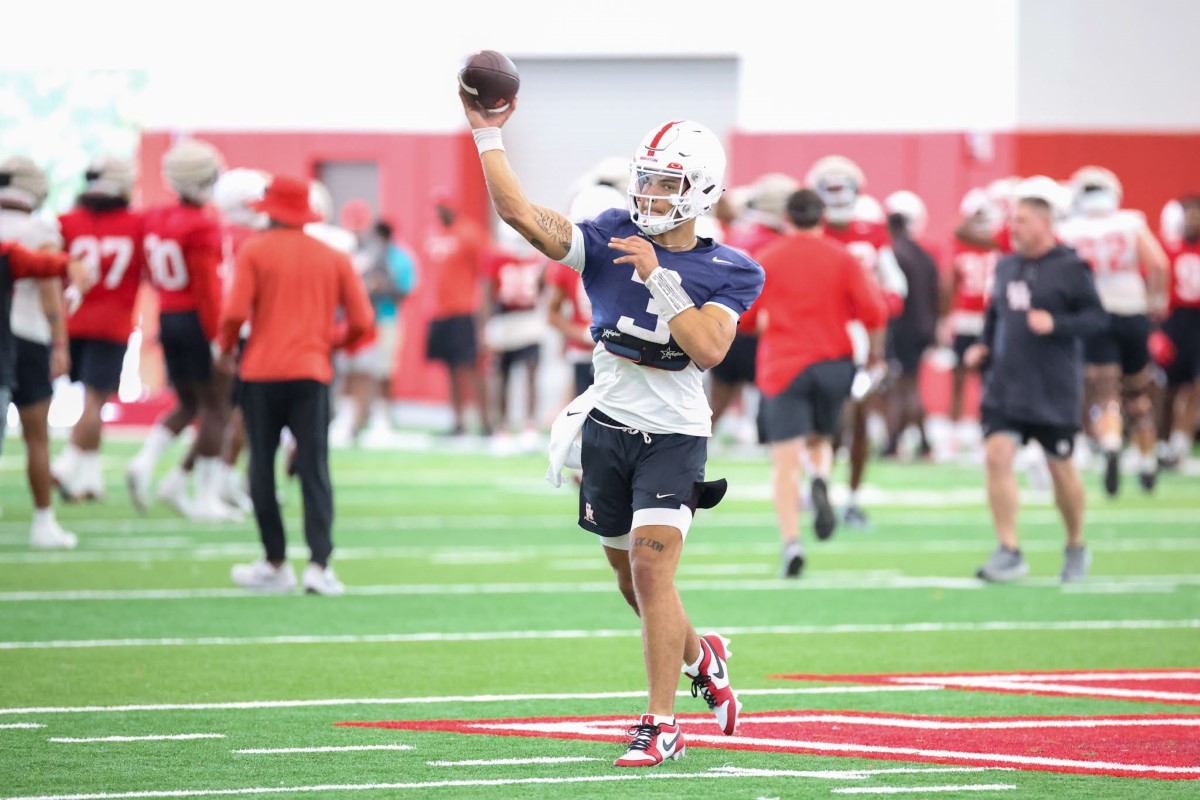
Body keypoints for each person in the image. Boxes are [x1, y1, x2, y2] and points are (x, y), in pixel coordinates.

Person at [462, 94, 762, 767]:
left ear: (702, 190)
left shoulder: (733, 269)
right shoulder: (606, 234)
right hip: (607, 425)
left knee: (653, 573)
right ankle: (702, 655)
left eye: (666, 183)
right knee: (633, 584)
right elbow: (521, 215)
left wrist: (660, 279)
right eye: (646, 179)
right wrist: (487, 135)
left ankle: (661, 723)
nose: (649, 195)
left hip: (675, 436)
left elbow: (708, 349)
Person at [221, 176, 373, 596]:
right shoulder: (333, 257)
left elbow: (233, 314)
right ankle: (320, 566)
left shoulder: (254, 251)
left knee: (260, 466)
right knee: (314, 468)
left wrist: (226, 349)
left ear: (269, 212)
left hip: (260, 372)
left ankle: (275, 562)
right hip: (312, 371)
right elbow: (362, 321)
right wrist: (329, 343)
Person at [964, 180, 1107, 583]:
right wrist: (982, 345)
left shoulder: (1071, 267)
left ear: (1046, 222)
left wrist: (1057, 323)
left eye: (1023, 220)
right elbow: (995, 313)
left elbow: (1097, 319)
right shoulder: (1006, 265)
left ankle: (1075, 544)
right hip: (1006, 383)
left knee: (1060, 467)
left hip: (1052, 388)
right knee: (996, 456)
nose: (1014, 227)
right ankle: (1008, 549)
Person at [753, 189, 887, 577]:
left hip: (784, 364)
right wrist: (874, 356)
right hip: (833, 363)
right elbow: (875, 311)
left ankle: (792, 541)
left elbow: (745, 315)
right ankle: (822, 477)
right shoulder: (843, 258)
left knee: (784, 460)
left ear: (787, 217)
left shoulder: (768, 258)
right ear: (822, 216)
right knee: (821, 438)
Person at [125, 139, 238, 520]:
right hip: (197, 320)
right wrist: (220, 339)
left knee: (188, 403)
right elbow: (208, 289)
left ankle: (146, 461)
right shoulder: (203, 223)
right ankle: (206, 497)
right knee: (216, 407)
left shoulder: (157, 216)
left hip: (169, 314)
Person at [807, 155, 907, 528]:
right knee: (827, 418)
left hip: (864, 337)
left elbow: (897, 286)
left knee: (859, 416)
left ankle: (849, 496)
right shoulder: (810, 232)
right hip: (820, 335)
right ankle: (819, 483)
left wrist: (876, 305)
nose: (837, 197)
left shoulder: (871, 232)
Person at [1057, 166, 1170, 495]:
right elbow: (1159, 263)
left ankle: (1109, 442)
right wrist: (1156, 302)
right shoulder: (1130, 222)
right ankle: (1147, 460)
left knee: (1103, 393)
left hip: (1095, 316)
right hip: (1132, 312)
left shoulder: (1069, 230)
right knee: (1138, 392)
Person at [52, 155, 145, 502]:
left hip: (71, 319)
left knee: (92, 401)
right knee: (96, 400)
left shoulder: (66, 221)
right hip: (112, 323)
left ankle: (90, 479)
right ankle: (66, 464)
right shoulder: (136, 224)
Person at [0, 157, 75, 548]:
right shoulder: (37, 230)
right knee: (37, 437)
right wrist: (60, 343)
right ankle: (43, 522)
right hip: (28, 337)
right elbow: (49, 288)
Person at [713, 173, 798, 443]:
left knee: (716, 402)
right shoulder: (779, 245)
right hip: (759, 331)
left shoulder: (735, 236)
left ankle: (693, 446)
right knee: (772, 398)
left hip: (724, 324)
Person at [210, 167, 271, 513]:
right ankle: (225, 479)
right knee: (245, 412)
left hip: (221, 329)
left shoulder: (221, 232)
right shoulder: (252, 240)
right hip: (247, 331)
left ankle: (225, 479)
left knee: (225, 410)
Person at [545, 181, 625, 404]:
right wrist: (580, 334)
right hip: (583, 354)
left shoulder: (631, 259)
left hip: (623, 356)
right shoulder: (566, 263)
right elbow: (552, 314)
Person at [342, 218, 417, 442]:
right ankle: (355, 418)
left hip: (387, 319)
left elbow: (404, 291)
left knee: (384, 372)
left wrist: (382, 284)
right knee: (358, 370)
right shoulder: (364, 255)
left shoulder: (400, 258)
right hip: (366, 320)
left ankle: (382, 419)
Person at [425, 195, 491, 436]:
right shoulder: (433, 233)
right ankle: (458, 421)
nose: (439, 213)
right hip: (440, 310)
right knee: (450, 368)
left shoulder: (470, 233)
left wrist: (483, 317)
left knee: (473, 368)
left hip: (465, 309)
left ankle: (485, 422)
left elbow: (484, 277)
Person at [943, 188, 1001, 457]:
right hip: (966, 318)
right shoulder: (962, 245)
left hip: (987, 320)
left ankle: (984, 432)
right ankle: (955, 434)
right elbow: (950, 284)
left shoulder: (999, 245)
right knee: (961, 378)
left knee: (987, 381)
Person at [882, 191, 940, 460]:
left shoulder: (894, 254)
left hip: (902, 327)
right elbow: (937, 295)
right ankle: (918, 442)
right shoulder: (925, 256)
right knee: (910, 384)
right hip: (923, 327)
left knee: (902, 386)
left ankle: (896, 442)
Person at [1159, 194, 1200, 466]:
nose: (1193, 221)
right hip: (1175, 320)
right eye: (1189, 216)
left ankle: (1181, 443)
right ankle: (1162, 443)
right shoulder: (1168, 249)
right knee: (1169, 387)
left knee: (1197, 386)